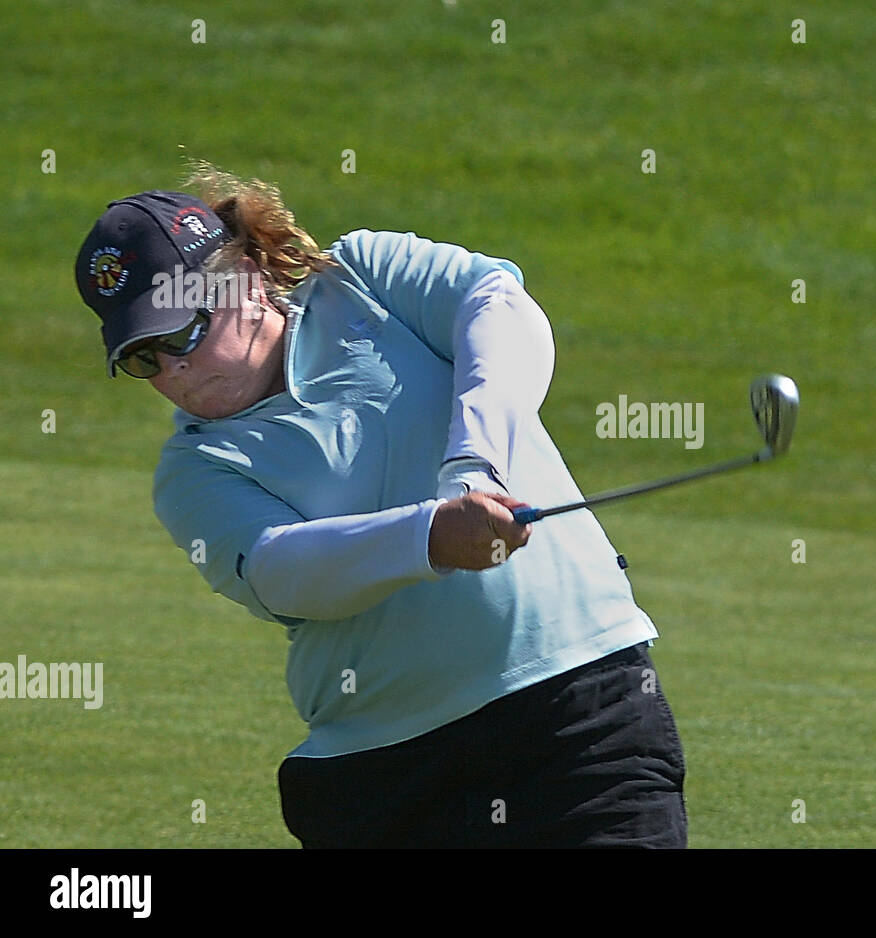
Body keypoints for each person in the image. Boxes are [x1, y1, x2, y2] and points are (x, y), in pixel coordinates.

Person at [73, 167, 687, 848]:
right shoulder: (192, 471)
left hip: (582, 713)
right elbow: (282, 570)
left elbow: (499, 306)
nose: (171, 372)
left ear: (244, 275)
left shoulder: (363, 274)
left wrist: (474, 464)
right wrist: (430, 537)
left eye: (182, 334)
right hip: (386, 777)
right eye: (142, 359)